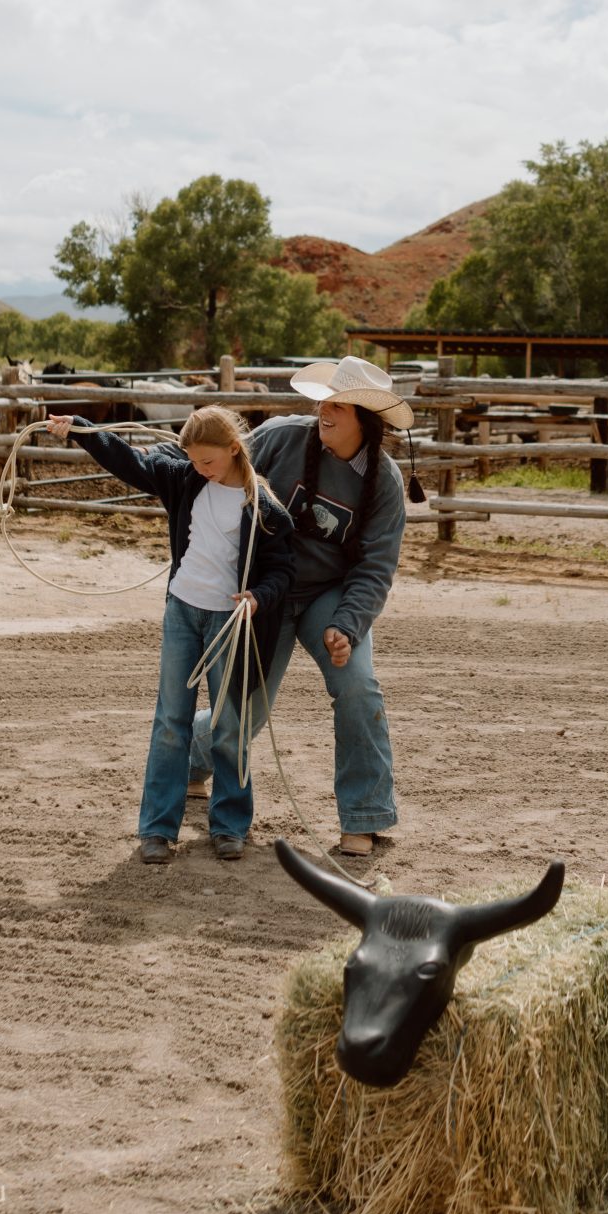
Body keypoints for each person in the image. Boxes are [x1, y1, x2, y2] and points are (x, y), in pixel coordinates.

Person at [46, 405, 294, 865]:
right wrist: (80, 430)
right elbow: (132, 462)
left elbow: (282, 571)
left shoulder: (266, 509)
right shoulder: (185, 479)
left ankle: (229, 825)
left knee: (230, 725)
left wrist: (257, 596)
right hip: (182, 612)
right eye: (195, 461)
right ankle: (158, 828)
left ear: (234, 450)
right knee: (170, 723)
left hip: (228, 622)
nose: (199, 470)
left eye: (208, 462)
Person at [187, 356, 415, 856]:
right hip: (262, 592)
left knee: (357, 686)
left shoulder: (385, 482)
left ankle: (365, 817)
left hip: (328, 596)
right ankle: (188, 761)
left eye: (338, 405)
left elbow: (376, 566)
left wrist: (348, 626)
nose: (325, 411)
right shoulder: (281, 438)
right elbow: (218, 478)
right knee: (246, 708)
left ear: (365, 418)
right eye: (324, 401)